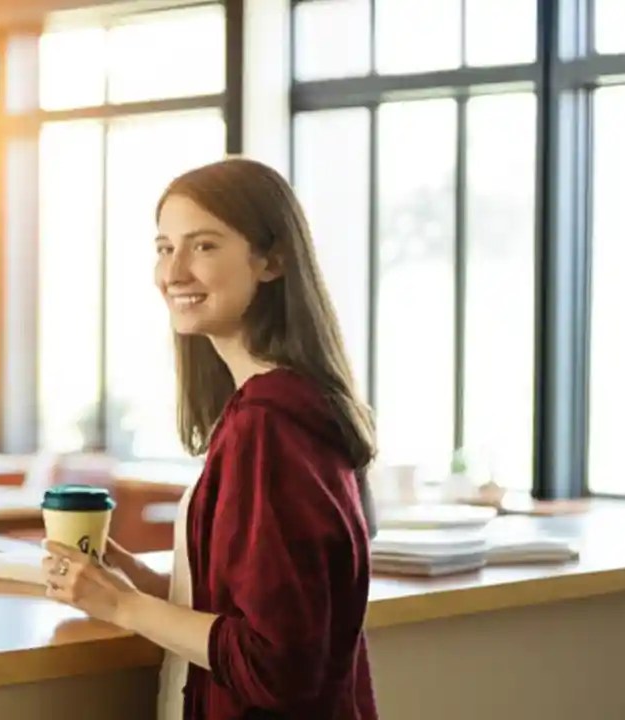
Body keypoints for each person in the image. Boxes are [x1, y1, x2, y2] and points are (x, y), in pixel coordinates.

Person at [43, 158, 378, 719]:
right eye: (163, 247)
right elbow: (258, 612)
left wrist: (122, 605)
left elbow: (276, 664)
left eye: (202, 246)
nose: (172, 273)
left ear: (271, 260)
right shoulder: (279, 407)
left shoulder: (269, 425)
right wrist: (145, 582)